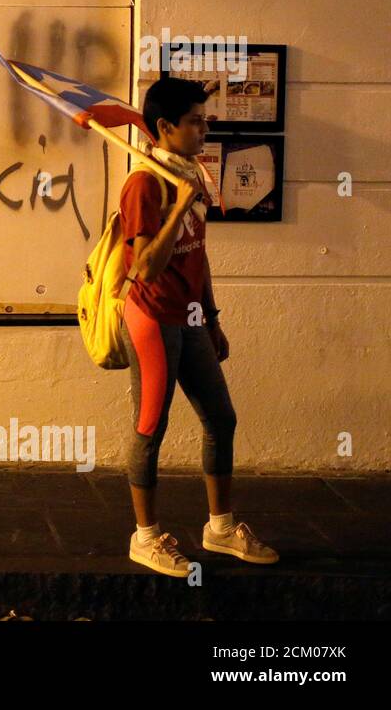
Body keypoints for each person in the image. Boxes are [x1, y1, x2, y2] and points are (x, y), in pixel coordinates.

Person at [120, 78, 278, 577]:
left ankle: (221, 527)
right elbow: (144, 266)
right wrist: (178, 205)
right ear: (164, 127)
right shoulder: (145, 183)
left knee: (221, 418)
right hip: (151, 316)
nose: (205, 129)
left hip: (188, 316)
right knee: (150, 428)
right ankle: (144, 537)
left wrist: (211, 318)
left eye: (205, 119)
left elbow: (198, 257)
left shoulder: (190, 175)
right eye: (195, 121)